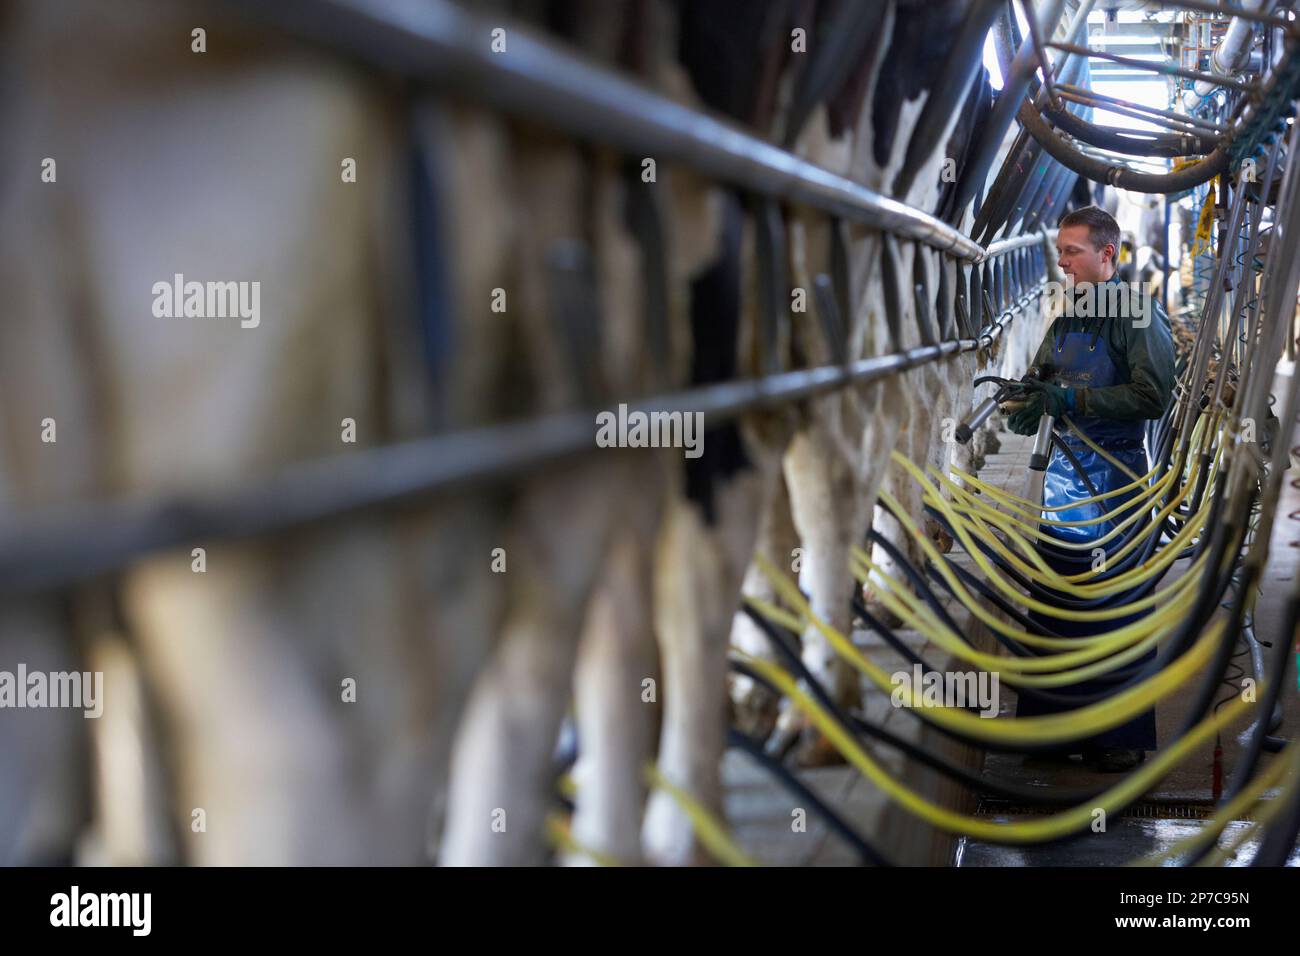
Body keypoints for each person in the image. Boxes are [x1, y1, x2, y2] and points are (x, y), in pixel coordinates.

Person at [1007, 206, 1176, 773]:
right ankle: (1052, 733)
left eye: (1072, 252)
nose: (1062, 262)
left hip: (1117, 486)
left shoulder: (1136, 314)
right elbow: (1041, 380)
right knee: (1055, 611)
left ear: (1108, 256)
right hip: (1062, 490)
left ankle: (1118, 738)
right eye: (1060, 252)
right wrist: (1028, 403)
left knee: (1115, 616)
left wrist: (1076, 401)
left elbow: (1154, 397)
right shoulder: (1068, 318)